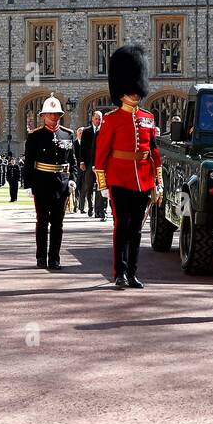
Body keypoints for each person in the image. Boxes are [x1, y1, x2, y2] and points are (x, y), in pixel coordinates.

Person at [95, 47, 161, 289]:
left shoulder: (148, 118)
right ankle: (119, 272)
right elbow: (101, 154)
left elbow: (153, 152)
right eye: (130, 90)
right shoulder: (111, 119)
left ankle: (132, 272)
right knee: (121, 227)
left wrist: (157, 182)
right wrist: (103, 184)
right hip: (119, 178)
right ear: (121, 91)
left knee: (136, 230)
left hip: (143, 179)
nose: (135, 94)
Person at [22, 96, 77, 271]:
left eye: (57, 115)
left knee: (58, 223)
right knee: (42, 222)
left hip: (61, 184)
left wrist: (72, 180)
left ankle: (54, 258)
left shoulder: (67, 134)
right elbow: (29, 162)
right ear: (43, 115)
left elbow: (73, 161)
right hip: (42, 183)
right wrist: (29, 185)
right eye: (50, 114)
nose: (54, 118)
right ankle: (41, 256)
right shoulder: (35, 136)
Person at [75, 109, 103, 218]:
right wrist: (82, 161)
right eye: (96, 119)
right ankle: (90, 208)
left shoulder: (104, 130)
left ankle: (98, 210)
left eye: (99, 119)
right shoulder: (86, 131)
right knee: (89, 187)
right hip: (88, 163)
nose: (98, 121)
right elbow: (82, 148)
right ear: (92, 119)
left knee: (100, 187)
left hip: (100, 163)